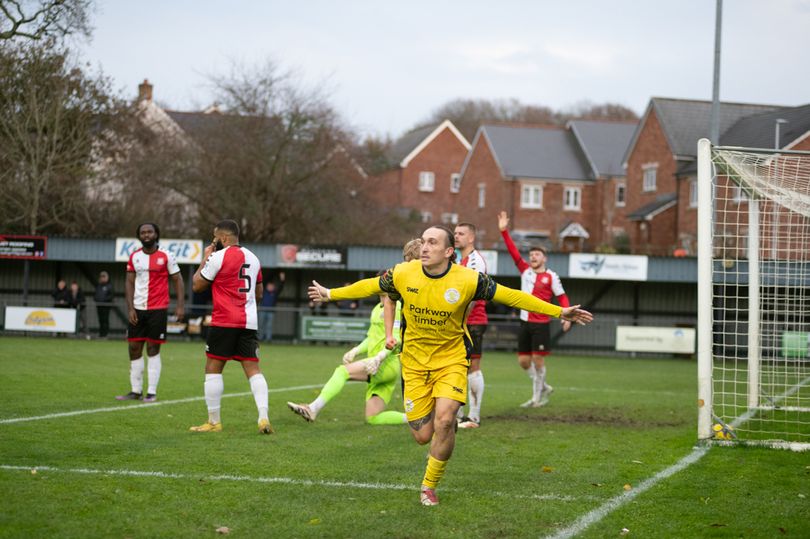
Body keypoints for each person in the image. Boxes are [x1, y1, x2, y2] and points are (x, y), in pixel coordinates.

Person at [308, 225, 592, 506]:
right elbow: (370, 286)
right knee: (422, 435)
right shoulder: (403, 273)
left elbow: (512, 296)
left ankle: (428, 486)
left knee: (444, 421)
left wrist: (559, 310)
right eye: (423, 242)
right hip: (415, 364)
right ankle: (442, 425)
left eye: (432, 242)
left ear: (448, 251)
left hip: (452, 360)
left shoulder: (469, 279)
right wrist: (331, 294)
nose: (425, 247)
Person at [286, 240, 423, 426]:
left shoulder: (398, 305)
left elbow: (398, 337)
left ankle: (313, 408)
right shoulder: (378, 308)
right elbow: (372, 337)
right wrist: (356, 350)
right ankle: (419, 418)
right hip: (378, 363)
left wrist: (380, 357)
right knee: (373, 418)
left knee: (342, 372)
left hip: (386, 364)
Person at [189, 219, 273, 435]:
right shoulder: (254, 258)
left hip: (224, 321)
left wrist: (205, 258)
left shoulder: (218, 257)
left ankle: (214, 422)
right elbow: (260, 293)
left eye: (215, 237)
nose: (213, 241)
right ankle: (263, 417)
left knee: (213, 369)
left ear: (223, 238)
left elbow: (197, 285)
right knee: (253, 370)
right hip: (248, 322)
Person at [498, 211, 572, 408]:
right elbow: (514, 252)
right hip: (525, 323)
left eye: (537, 254)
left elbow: (562, 296)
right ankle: (543, 386)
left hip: (541, 324)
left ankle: (536, 398)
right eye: (531, 255)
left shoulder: (552, 277)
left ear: (544, 258)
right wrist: (504, 231)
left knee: (538, 361)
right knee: (523, 362)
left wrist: (566, 316)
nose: (533, 257)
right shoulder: (525, 271)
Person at [116, 223, 185, 403]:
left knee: (153, 349)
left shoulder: (166, 255)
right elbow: (129, 283)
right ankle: (135, 391)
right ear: (139, 236)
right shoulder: (134, 257)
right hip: (138, 309)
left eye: (149, 232)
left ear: (156, 234)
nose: (146, 235)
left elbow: (178, 280)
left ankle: (151, 392)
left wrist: (180, 306)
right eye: (143, 232)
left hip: (158, 309)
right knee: (134, 348)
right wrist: (130, 308)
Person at [453, 222, 488, 429]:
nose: (456, 236)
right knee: (458, 366)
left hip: (473, 320)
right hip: (460, 320)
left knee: (473, 366)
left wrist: (462, 317)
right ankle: (458, 414)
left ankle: (474, 416)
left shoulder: (475, 261)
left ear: (471, 238)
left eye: (461, 233)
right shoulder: (459, 260)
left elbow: (473, 294)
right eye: (455, 233)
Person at [258, 272, 285, 342]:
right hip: (262, 310)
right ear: (267, 286)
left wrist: (282, 280)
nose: (270, 287)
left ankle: (268, 339)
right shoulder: (263, 291)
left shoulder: (275, 293)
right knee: (261, 325)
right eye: (269, 285)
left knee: (269, 326)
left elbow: (281, 287)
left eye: (272, 286)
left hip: (271, 312)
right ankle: (260, 338)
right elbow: (262, 282)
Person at [94, 271, 114, 338]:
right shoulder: (98, 286)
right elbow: (96, 295)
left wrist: (103, 300)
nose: (102, 278)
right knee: (101, 320)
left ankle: (106, 334)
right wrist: (97, 299)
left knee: (105, 320)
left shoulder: (110, 286)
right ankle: (101, 334)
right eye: (101, 277)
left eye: (104, 277)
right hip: (99, 306)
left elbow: (111, 296)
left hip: (106, 306)